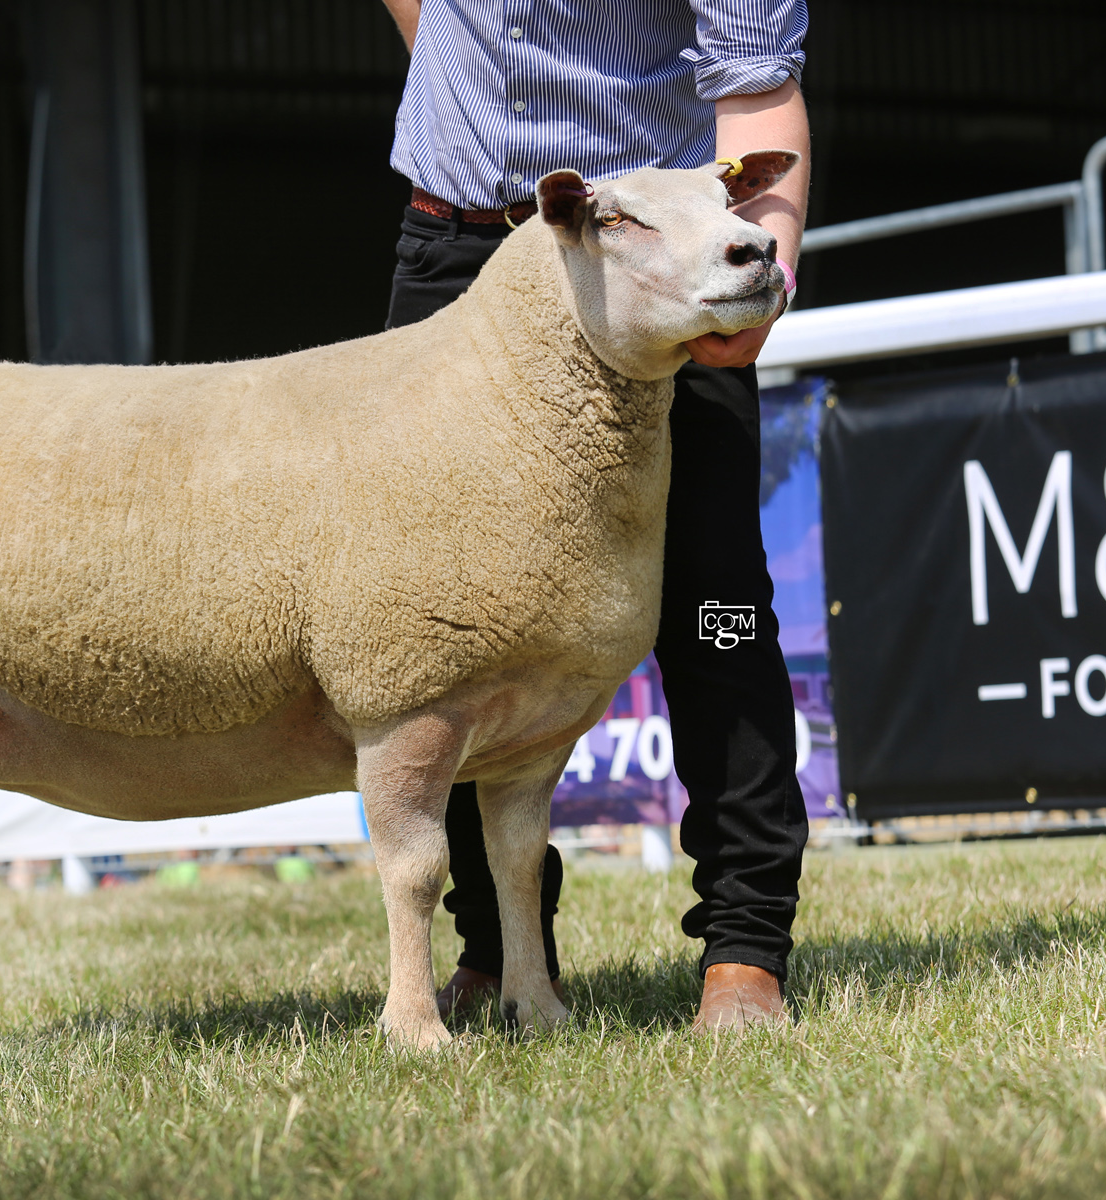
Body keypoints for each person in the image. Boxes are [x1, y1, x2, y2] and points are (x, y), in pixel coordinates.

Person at [378, 0, 812, 1030]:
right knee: (444, 633)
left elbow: (759, 86)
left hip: (649, 258)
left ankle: (746, 947)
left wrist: (761, 273)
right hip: (455, 250)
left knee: (715, 608)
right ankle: (499, 949)